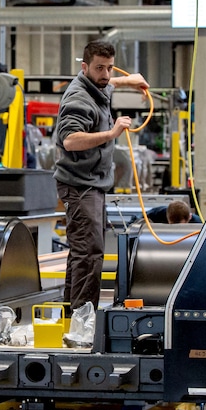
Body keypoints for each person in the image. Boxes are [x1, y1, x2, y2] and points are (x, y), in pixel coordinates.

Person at [53, 40, 148, 312]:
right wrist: (111, 133)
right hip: (80, 186)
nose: (106, 74)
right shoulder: (79, 98)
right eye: (99, 68)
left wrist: (129, 81)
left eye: (109, 68)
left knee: (83, 252)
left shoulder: (96, 85)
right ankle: (83, 321)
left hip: (91, 184)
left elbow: (107, 83)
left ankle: (72, 317)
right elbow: (70, 140)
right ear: (85, 67)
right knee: (90, 254)